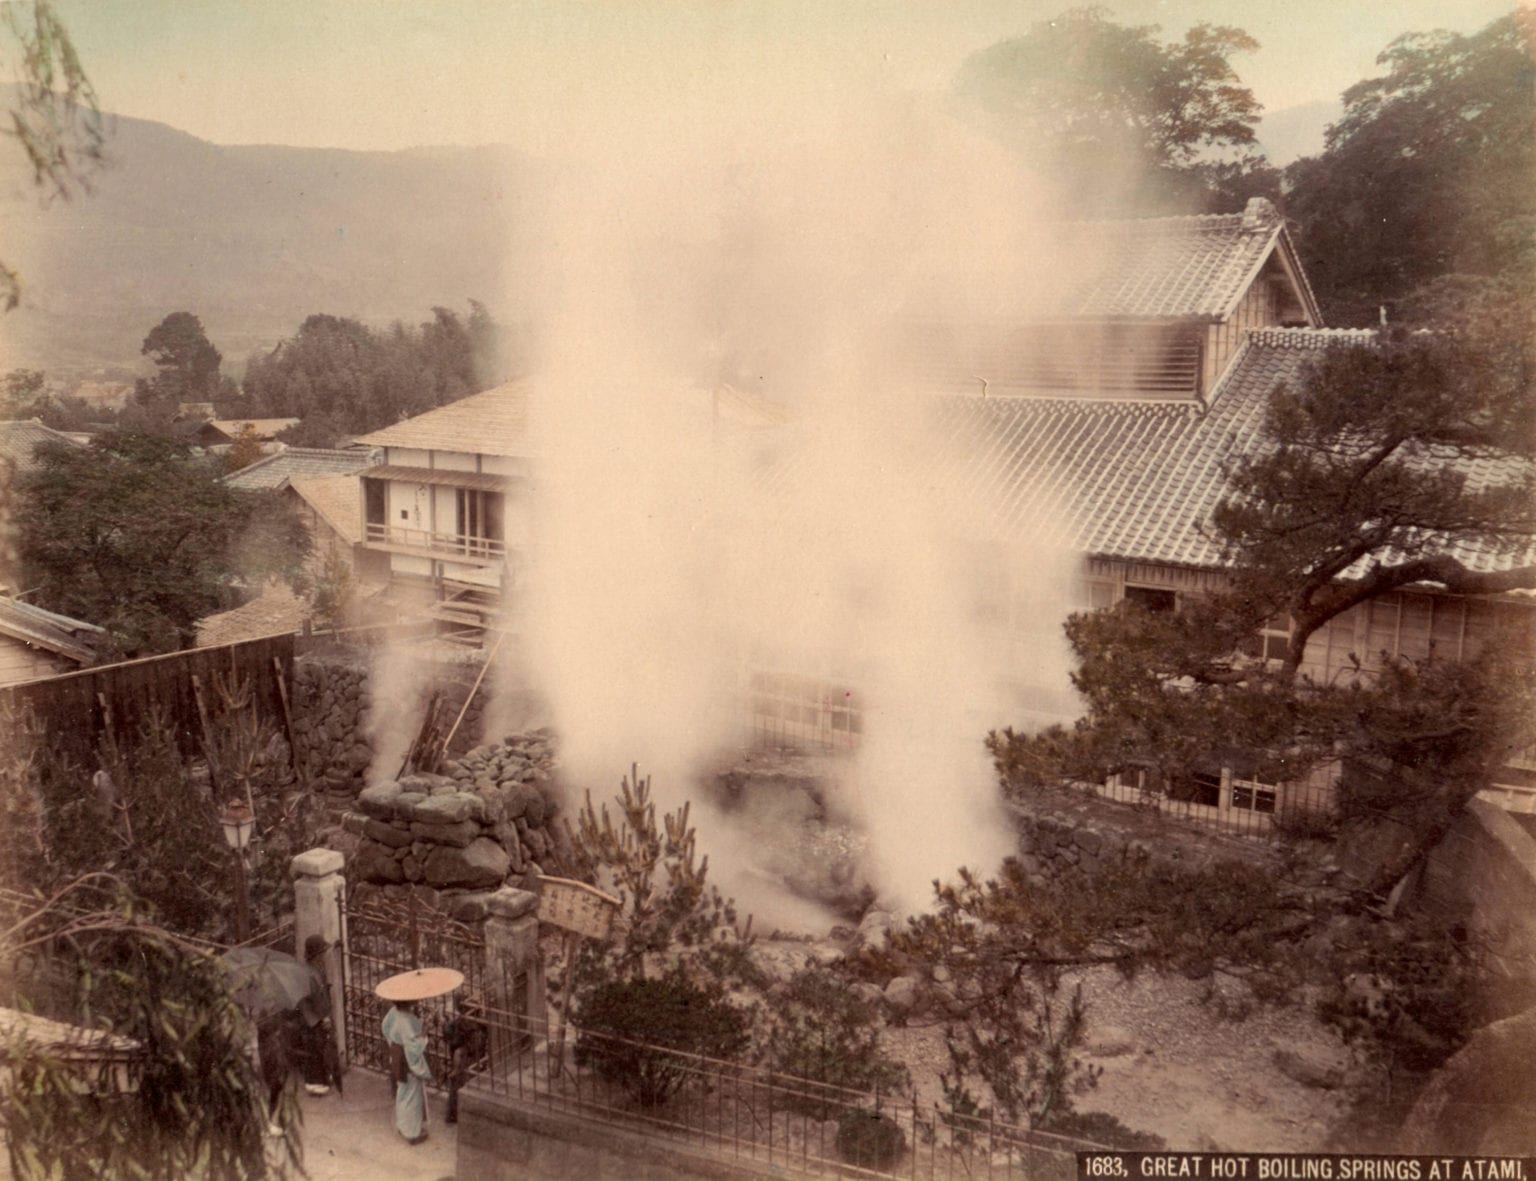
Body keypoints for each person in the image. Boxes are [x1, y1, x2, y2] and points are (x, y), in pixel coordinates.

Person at [381, 999, 433, 1144]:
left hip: (397, 1055)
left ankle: (403, 1125)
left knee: (402, 1091)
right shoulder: (406, 1020)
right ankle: (411, 1132)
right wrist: (424, 1034)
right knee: (412, 1094)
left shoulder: (393, 1012)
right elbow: (413, 1048)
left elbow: (384, 1027)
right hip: (406, 1060)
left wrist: (393, 1042)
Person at [443, 996, 488, 1125]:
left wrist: (446, 1024)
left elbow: (452, 1039)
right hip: (475, 1058)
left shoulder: (461, 1023)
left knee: (458, 1086)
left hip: (465, 1059)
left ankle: (454, 1116)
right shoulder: (479, 1023)